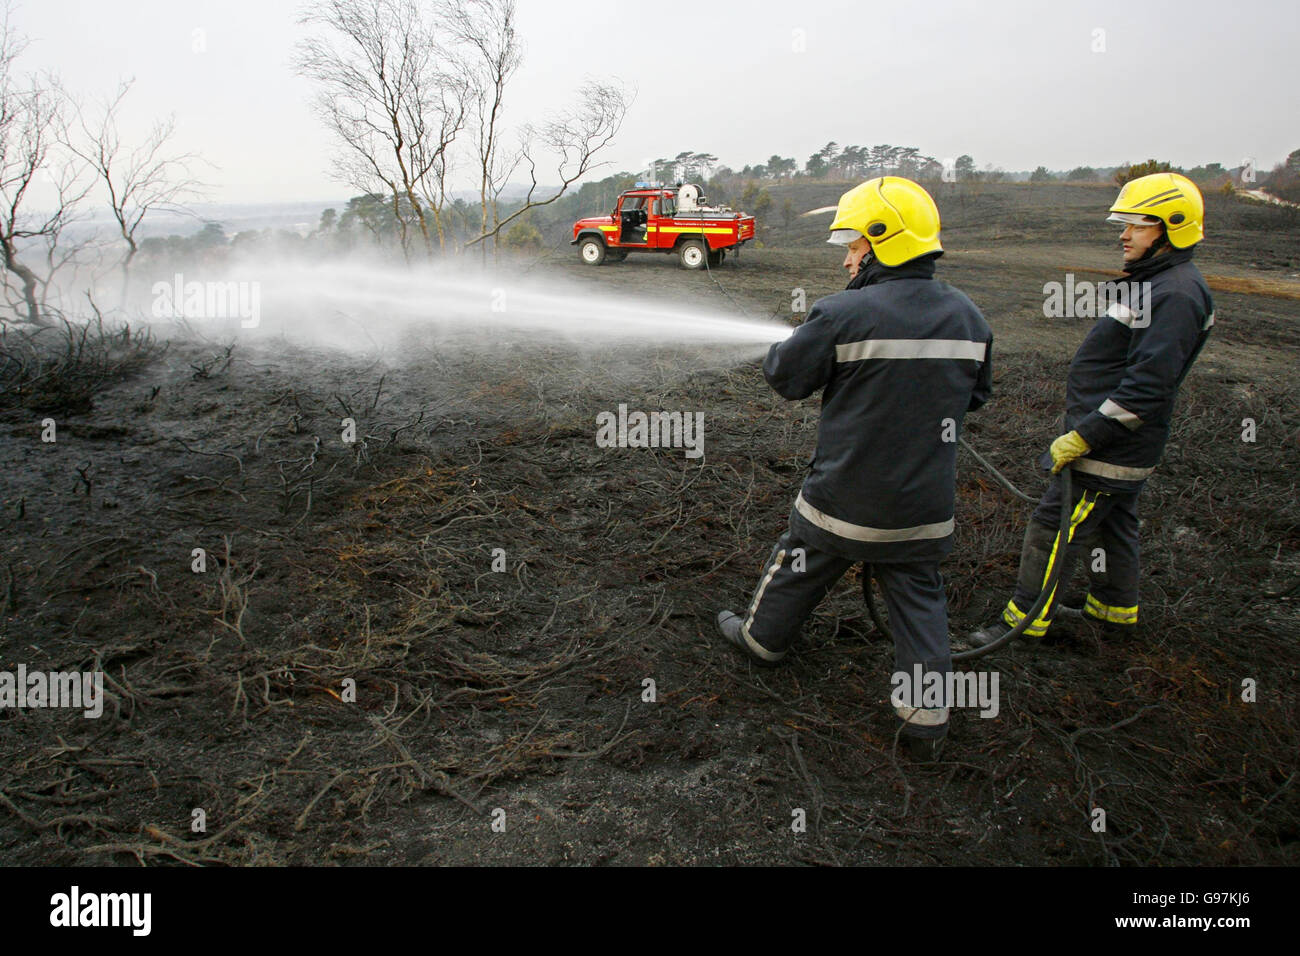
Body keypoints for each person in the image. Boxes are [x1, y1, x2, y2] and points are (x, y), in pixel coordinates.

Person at [716, 176, 993, 760]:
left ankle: (762, 641)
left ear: (881, 241)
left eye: (853, 247)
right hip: (922, 507)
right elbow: (976, 395)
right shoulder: (970, 316)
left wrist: (799, 341)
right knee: (919, 598)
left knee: (799, 560)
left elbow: (785, 377)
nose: (846, 260)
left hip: (842, 497)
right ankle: (925, 717)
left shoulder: (842, 313)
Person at [968, 172, 1214, 648]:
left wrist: (1086, 436)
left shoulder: (1175, 295)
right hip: (1124, 446)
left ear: (1171, 227)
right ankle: (1113, 610)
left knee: (1056, 524)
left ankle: (1023, 623)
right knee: (1115, 524)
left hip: (1112, 448)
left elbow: (1147, 386)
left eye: (1136, 225)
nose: (1123, 235)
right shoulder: (1162, 284)